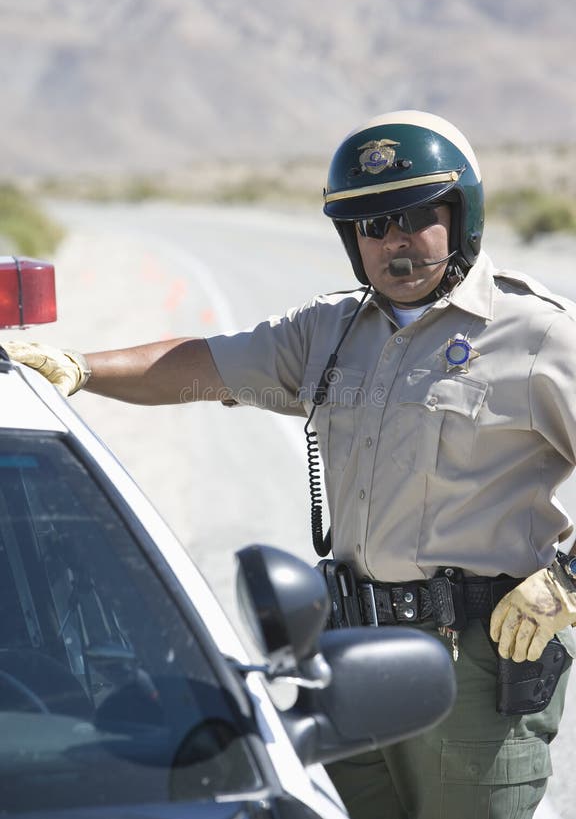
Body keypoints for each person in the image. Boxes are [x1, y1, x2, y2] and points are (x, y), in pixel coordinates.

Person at [5, 110, 576, 819]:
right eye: (371, 225)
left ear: (463, 216)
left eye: (414, 217)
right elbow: (205, 364)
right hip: (350, 659)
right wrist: (81, 367)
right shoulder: (329, 330)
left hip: (475, 665)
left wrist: (567, 579)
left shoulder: (537, 333)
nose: (393, 241)